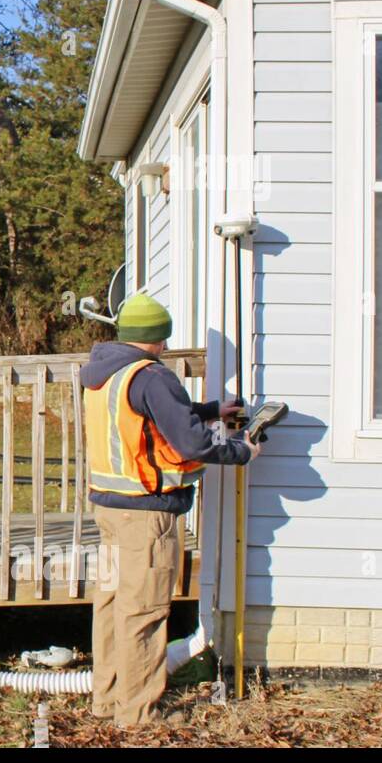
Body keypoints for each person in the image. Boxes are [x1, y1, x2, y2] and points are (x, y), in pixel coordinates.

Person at [79, 293, 258, 727]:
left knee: (112, 606)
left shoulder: (105, 372)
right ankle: (138, 716)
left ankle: (108, 701)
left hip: (109, 509)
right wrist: (243, 451)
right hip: (146, 514)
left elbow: (151, 418)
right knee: (143, 612)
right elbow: (192, 443)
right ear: (158, 336)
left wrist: (210, 410)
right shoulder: (152, 376)